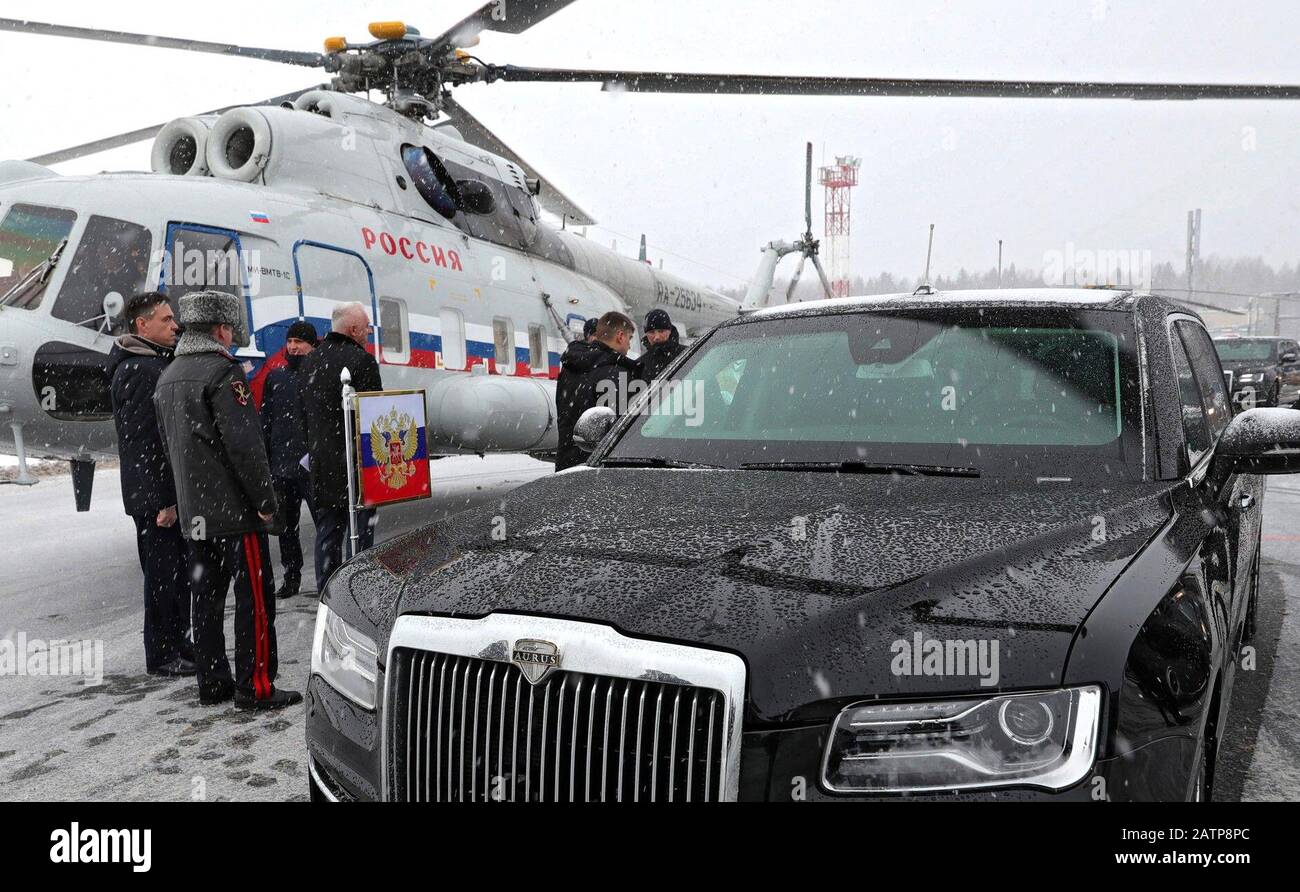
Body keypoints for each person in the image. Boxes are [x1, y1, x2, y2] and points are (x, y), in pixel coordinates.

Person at [154, 290, 301, 710]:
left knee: (206, 599)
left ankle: (212, 682)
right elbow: (245, 446)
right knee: (254, 599)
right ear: (220, 329)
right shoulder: (224, 373)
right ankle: (255, 687)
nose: (234, 335)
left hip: (196, 514)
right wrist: (265, 501)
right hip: (234, 513)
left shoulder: (169, 376)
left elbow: (168, 449)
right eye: (231, 328)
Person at [108, 292, 194, 677]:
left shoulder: (153, 364)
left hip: (164, 494)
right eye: (165, 320)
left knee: (176, 576)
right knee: (162, 579)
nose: (174, 325)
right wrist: (163, 501)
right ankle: (162, 654)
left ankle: (178, 643)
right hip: (155, 501)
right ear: (142, 326)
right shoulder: (138, 372)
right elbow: (144, 443)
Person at [301, 302, 383, 586]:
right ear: (354, 329)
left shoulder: (311, 360)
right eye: (367, 329)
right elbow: (377, 417)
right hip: (357, 464)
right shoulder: (362, 361)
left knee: (327, 532)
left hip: (323, 464)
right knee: (360, 536)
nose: (368, 334)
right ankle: (359, 589)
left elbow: (305, 414)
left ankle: (327, 593)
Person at [261, 320, 319, 599]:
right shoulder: (276, 378)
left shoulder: (321, 375)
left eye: (299, 342)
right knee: (286, 529)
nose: (293, 347)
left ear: (312, 345)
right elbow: (266, 422)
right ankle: (291, 577)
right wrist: (268, 461)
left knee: (325, 526)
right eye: (290, 342)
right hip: (283, 468)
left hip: (313, 468)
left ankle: (327, 578)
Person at [555, 311, 640, 471]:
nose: (629, 345)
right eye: (629, 338)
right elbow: (620, 432)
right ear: (620, 336)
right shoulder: (617, 373)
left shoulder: (569, 367)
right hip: (600, 469)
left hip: (566, 464)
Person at [636, 308, 685, 382]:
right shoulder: (639, 366)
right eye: (652, 332)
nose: (657, 337)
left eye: (661, 331)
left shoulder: (688, 354)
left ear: (669, 331)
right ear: (646, 334)